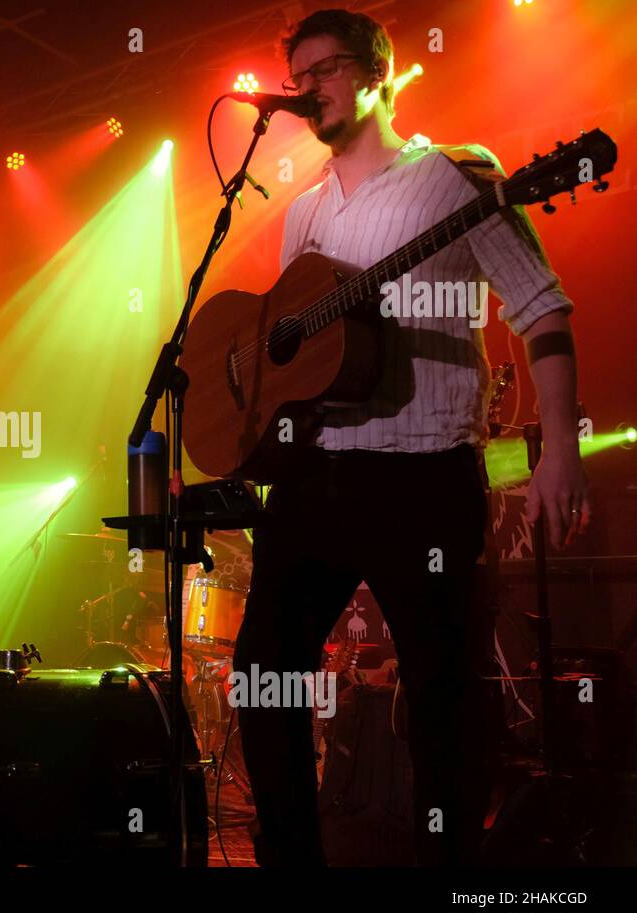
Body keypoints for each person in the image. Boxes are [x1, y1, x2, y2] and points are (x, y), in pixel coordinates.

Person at [233, 8, 591, 865]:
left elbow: (542, 308)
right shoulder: (305, 214)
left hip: (422, 475)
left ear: (378, 72)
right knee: (262, 678)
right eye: (299, 74)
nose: (307, 87)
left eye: (324, 68)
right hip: (318, 478)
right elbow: (302, 359)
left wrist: (562, 455)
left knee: (440, 701)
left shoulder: (456, 178)